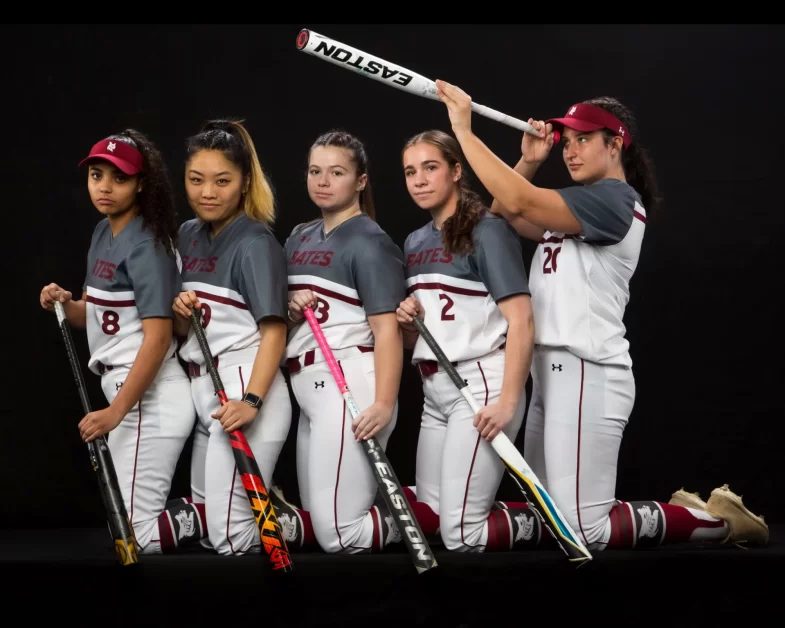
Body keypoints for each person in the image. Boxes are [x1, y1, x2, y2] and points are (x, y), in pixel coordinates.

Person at [433, 80, 768, 549]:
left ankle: (715, 522)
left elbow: (522, 201)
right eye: (566, 143)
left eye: (583, 140)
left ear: (616, 144)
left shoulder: (615, 200)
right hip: (550, 371)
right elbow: (501, 214)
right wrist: (529, 159)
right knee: (549, 513)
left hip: (589, 370)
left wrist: (464, 131)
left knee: (583, 530)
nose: (570, 151)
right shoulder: (580, 203)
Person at [39, 130, 203, 554]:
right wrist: (65, 302)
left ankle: (207, 514)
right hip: (125, 391)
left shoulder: (149, 244)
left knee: (136, 538)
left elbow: (158, 337)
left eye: (119, 178)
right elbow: (93, 313)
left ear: (142, 183)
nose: (105, 187)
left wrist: (115, 411)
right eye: (97, 175)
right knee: (124, 530)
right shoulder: (101, 232)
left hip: (151, 395)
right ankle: (209, 511)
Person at [395, 130, 539, 552]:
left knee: (462, 534)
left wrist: (509, 401)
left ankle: (551, 521)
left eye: (431, 167)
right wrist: (410, 322)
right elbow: (419, 339)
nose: (419, 180)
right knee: (436, 522)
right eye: (410, 171)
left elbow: (522, 320)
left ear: (457, 171)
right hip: (434, 389)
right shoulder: (415, 240)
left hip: (481, 386)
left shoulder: (488, 230)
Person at [172, 119, 293, 555]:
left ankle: (300, 526)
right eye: (196, 179)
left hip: (245, 384)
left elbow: (274, 332)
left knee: (232, 537)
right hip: (204, 386)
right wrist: (181, 312)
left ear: (243, 183)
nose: (208, 192)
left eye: (222, 181)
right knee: (210, 531)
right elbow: (188, 328)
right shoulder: (187, 234)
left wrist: (253, 401)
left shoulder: (255, 241)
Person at [282, 130, 406, 553]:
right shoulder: (299, 235)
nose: (323, 181)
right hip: (306, 385)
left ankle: (434, 521)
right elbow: (281, 316)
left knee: (339, 533)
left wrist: (384, 404)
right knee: (322, 525)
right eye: (315, 171)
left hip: (350, 382)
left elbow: (388, 331)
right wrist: (289, 305)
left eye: (336, 172)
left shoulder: (371, 242)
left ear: (360, 181)